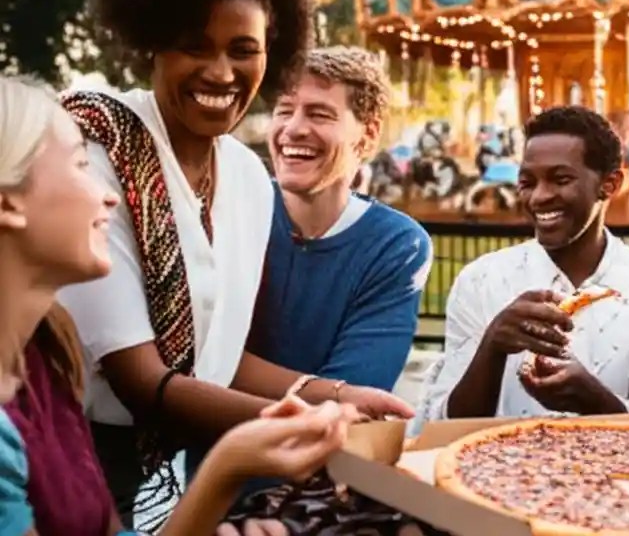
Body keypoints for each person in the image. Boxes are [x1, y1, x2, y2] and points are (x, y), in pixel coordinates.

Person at [54, 0, 409, 526]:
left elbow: (218, 359)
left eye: (243, 48)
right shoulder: (95, 148)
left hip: (178, 469)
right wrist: (306, 425)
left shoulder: (248, 178)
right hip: (77, 464)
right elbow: (143, 382)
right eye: (195, 46)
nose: (221, 71)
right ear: (150, 44)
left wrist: (338, 396)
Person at [0, 75, 360, 536]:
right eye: (79, 166)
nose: (109, 194)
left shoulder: (49, 355)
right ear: (9, 202)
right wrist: (228, 465)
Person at [414, 105, 629, 426]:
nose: (539, 197)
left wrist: (595, 400)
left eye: (560, 179)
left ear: (609, 184)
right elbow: (445, 424)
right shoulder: (481, 281)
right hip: (498, 474)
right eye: (527, 181)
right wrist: (492, 347)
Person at [249, 45, 431, 396]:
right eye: (284, 110)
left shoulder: (396, 245)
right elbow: (196, 360)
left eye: (319, 115)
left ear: (368, 134)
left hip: (328, 448)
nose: (293, 129)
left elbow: (358, 389)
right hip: (215, 450)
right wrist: (331, 392)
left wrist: (228, 373)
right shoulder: (232, 208)